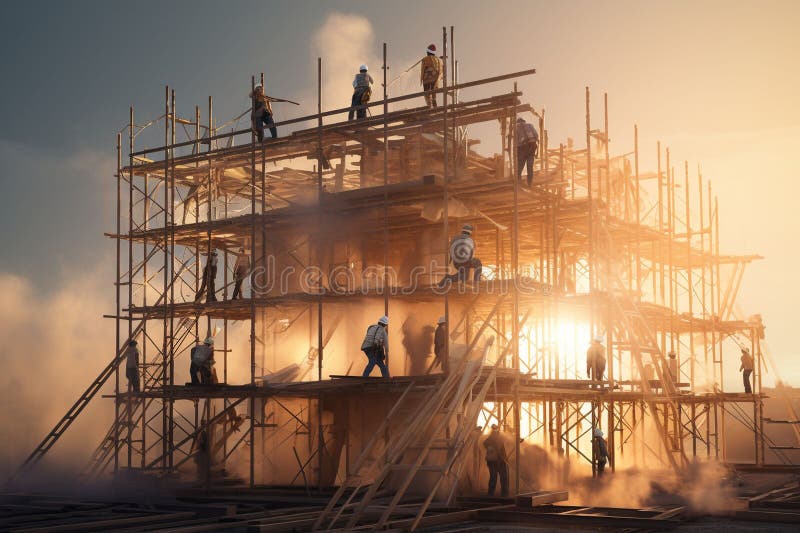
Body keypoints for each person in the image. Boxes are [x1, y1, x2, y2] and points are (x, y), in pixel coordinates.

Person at [482, 424, 509, 496]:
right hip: (494, 461)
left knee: (501, 477)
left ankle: (503, 493)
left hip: (499, 460)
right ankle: (493, 494)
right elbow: (485, 443)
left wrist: (505, 458)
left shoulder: (498, 438)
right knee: (495, 477)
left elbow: (503, 448)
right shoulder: (491, 439)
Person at [514, 117, 539, 186]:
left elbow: (515, 141)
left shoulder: (516, 128)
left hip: (522, 148)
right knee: (530, 166)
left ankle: (518, 181)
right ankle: (529, 183)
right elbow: (536, 136)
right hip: (531, 147)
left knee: (520, 166)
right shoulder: (530, 125)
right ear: (524, 121)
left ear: (517, 122)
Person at [420, 43, 442, 109]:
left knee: (427, 93)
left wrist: (422, 78)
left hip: (426, 79)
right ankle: (434, 104)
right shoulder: (439, 60)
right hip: (435, 79)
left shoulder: (425, 59)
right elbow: (440, 71)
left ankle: (429, 106)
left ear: (428, 51)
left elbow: (423, 69)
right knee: (433, 92)